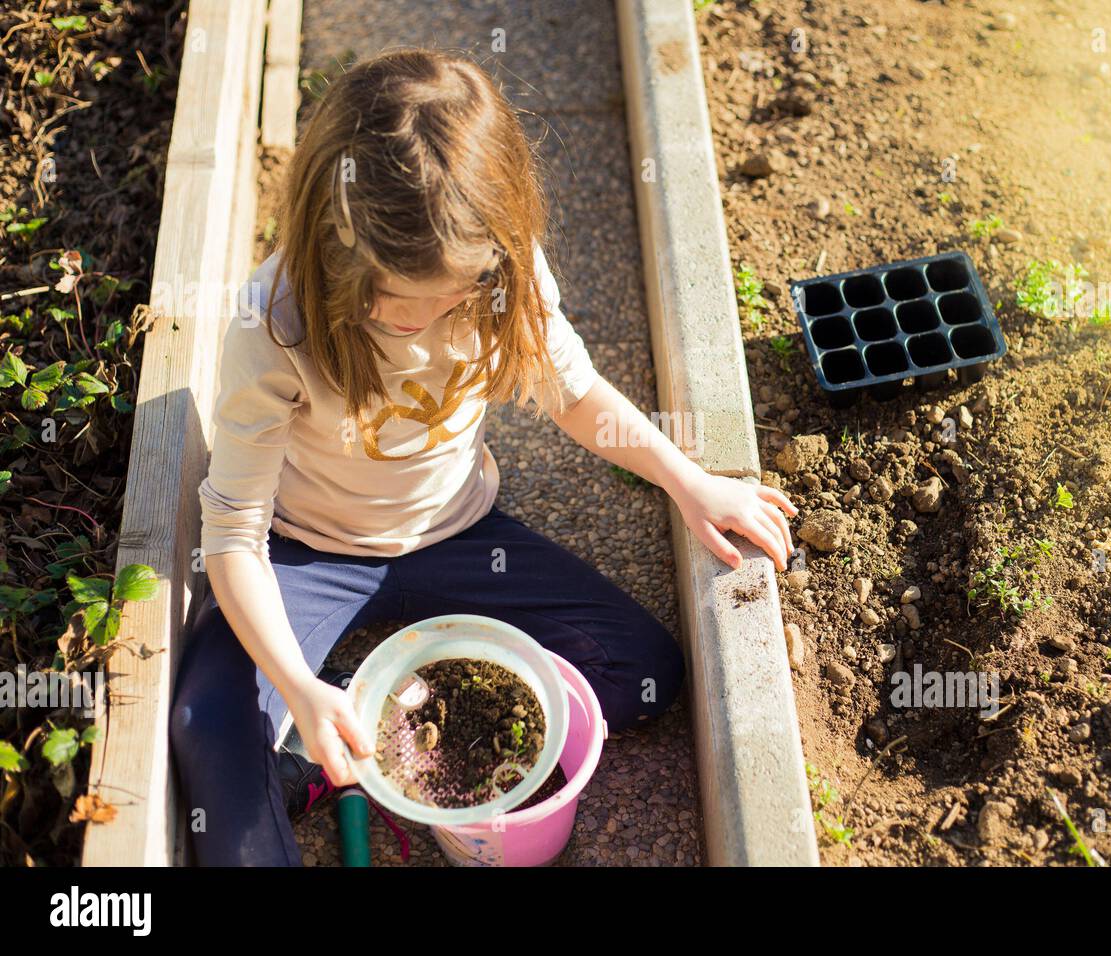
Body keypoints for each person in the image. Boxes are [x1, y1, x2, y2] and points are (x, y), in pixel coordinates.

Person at [169, 48, 796, 866]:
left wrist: (689, 481)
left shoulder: (501, 273)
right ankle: (319, 744)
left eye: (449, 295)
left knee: (643, 669)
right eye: (391, 294)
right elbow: (234, 533)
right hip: (305, 552)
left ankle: (374, 754)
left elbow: (572, 393)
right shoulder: (272, 321)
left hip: (459, 532)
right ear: (334, 233)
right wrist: (298, 688)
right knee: (207, 727)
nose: (418, 317)